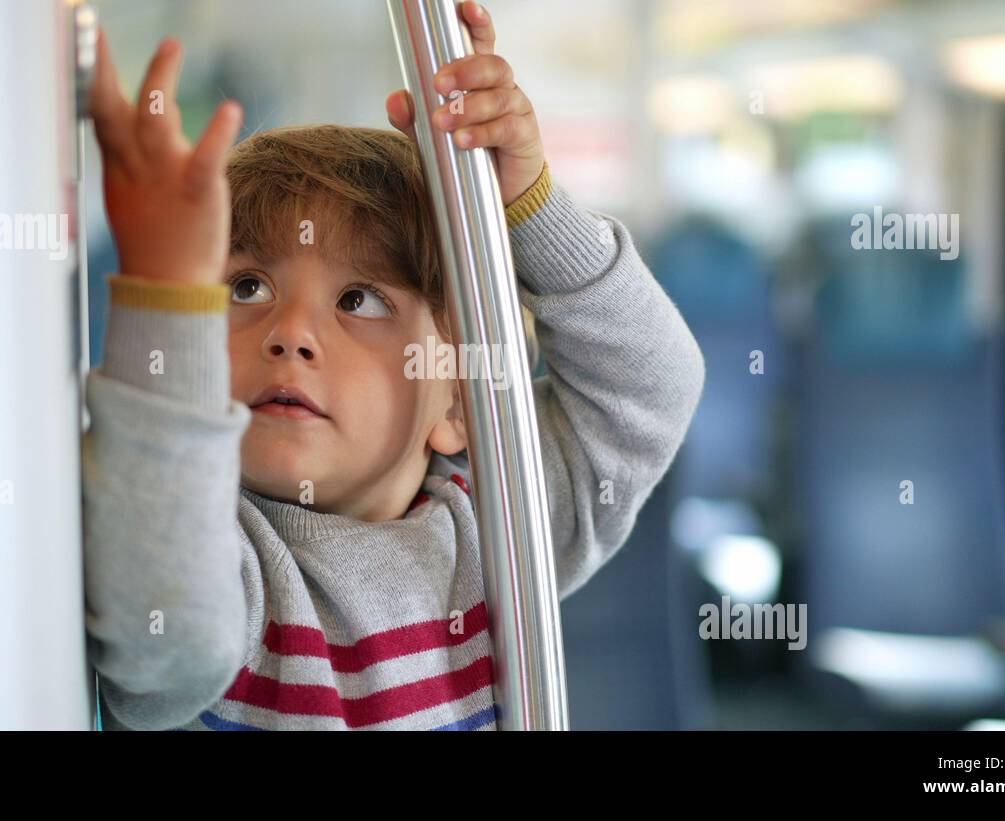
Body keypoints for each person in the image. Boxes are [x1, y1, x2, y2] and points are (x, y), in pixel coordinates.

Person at [82, 1, 705, 730]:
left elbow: (652, 386)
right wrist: (165, 291)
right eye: (245, 287)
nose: (290, 336)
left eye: (359, 299)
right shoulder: (226, 557)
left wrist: (528, 208)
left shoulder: (496, 522)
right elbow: (164, 636)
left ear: (456, 401)